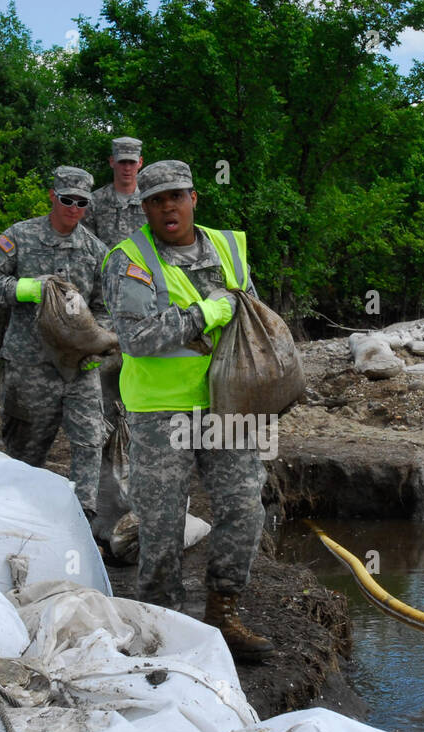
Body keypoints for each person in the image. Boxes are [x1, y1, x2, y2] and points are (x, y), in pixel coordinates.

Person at [101, 160, 273, 661]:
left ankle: (223, 615)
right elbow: (138, 337)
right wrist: (208, 312)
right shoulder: (128, 259)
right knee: (161, 524)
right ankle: (165, 629)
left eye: (175, 196)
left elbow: (252, 314)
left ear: (194, 197)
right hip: (161, 413)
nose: (167, 207)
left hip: (228, 405)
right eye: (155, 200)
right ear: (145, 207)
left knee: (245, 508)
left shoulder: (227, 246)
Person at [0, 166, 110, 519]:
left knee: (90, 440)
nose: (73, 207)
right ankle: (22, 518)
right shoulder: (20, 237)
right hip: (31, 365)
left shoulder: (96, 250)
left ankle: (83, 517)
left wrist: (98, 345)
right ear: (53, 195)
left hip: (80, 368)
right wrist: (24, 289)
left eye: (81, 202)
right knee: (26, 450)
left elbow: (106, 306)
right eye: (67, 199)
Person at [88, 137, 147, 248]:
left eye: (132, 162)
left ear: (140, 162)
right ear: (112, 161)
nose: (127, 168)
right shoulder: (94, 202)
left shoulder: (150, 200)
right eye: (122, 162)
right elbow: (87, 244)